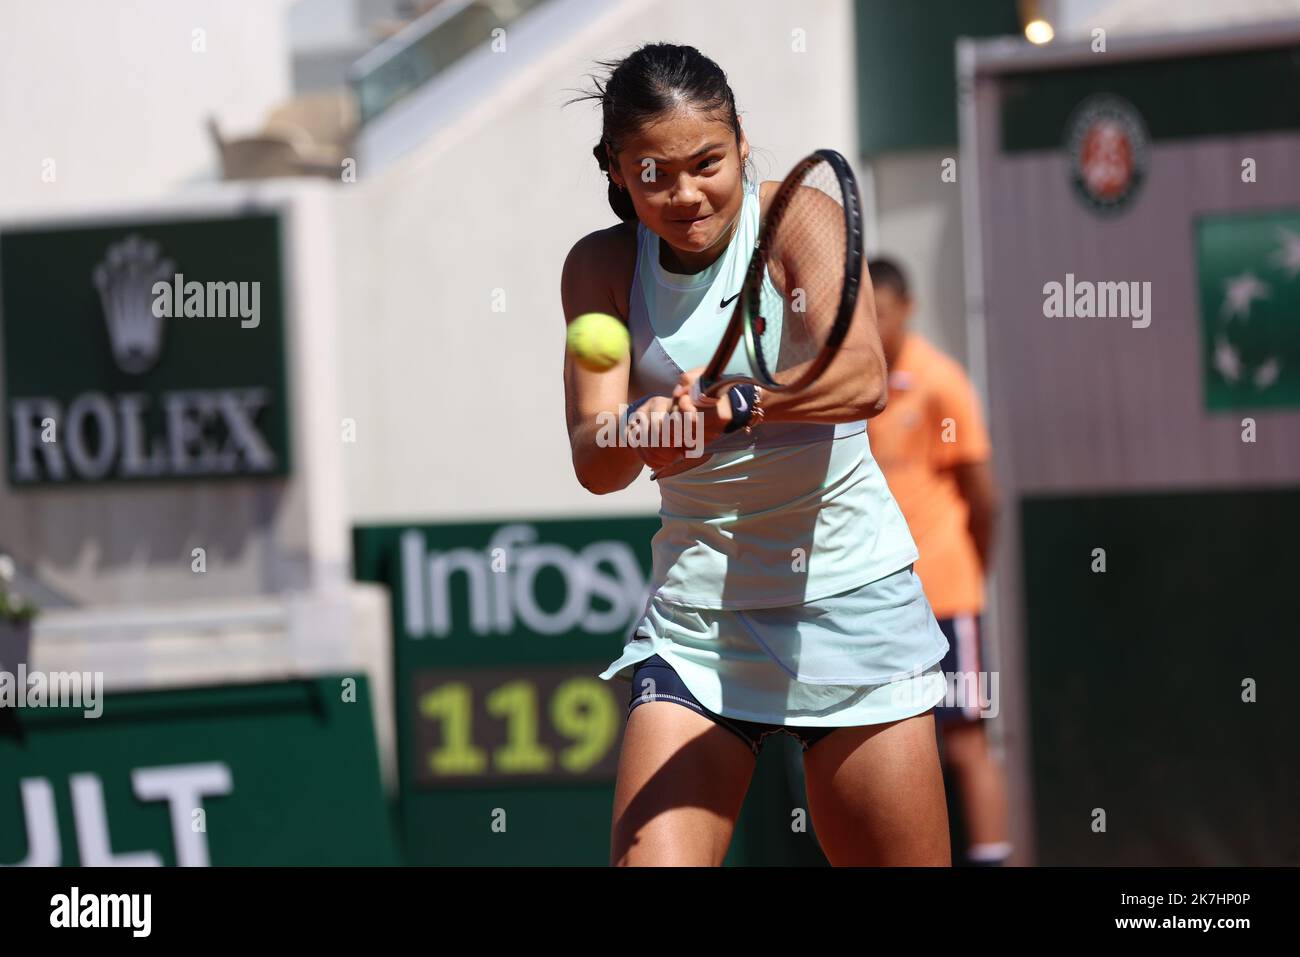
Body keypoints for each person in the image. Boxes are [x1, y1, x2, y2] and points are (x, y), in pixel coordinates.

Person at [561, 43, 951, 866]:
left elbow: (861, 374)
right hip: (700, 618)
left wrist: (736, 405)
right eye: (652, 172)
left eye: (706, 161)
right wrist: (654, 430)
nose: (685, 193)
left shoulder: (798, 216)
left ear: (741, 141)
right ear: (617, 171)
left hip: (849, 595)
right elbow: (596, 457)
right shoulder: (597, 268)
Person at [865, 256, 1012, 867]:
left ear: (909, 308)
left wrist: (968, 572)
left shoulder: (942, 381)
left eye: (882, 311)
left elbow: (983, 498)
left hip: (948, 597)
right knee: (882, 746)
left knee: (964, 741)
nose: (871, 325)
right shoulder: (851, 389)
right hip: (874, 603)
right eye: (860, 314)